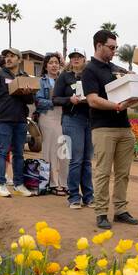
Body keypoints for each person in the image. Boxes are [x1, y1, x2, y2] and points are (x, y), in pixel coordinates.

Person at [81, 29, 138, 229]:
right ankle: (101, 212)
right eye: (111, 47)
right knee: (103, 172)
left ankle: (121, 210)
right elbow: (92, 100)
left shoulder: (117, 69)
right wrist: (116, 106)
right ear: (99, 45)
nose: (114, 51)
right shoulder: (89, 70)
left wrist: (135, 82)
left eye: (116, 47)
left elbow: (130, 91)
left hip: (124, 127)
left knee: (123, 173)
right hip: (103, 128)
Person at [0, 47, 35, 197]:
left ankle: (19, 184)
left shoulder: (24, 76)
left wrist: (27, 93)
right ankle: (0, 184)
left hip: (20, 119)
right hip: (3, 119)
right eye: (6, 56)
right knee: (2, 151)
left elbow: (30, 100)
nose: (8, 58)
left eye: (12, 56)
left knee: (19, 153)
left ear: (19, 59)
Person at [54, 49, 93, 208]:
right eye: (73, 57)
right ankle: (74, 197)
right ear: (70, 60)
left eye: (79, 57)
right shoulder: (64, 76)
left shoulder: (90, 75)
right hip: (72, 119)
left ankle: (89, 197)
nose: (76, 59)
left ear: (84, 59)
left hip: (90, 119)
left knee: (87, 161)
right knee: (76, 159)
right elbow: (55, 99)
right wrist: (70, 99)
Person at [35, 53, 68, 196]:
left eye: (56, 62)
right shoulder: (42, 81)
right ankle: (53, 183)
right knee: (50, 151)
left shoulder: (65, 79)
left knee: (65, 151)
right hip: (48, 116)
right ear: (46, 66)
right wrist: (54, 102)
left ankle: (65, 183)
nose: (54, 65)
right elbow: (38, 101)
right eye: (51, 62)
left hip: (65, 116)